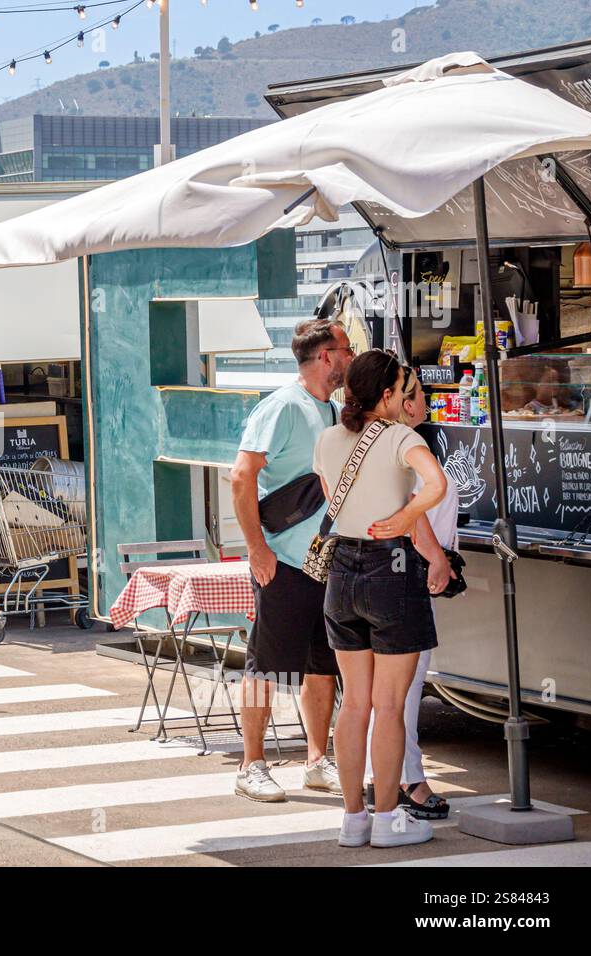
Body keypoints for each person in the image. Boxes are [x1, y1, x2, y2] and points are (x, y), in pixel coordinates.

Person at [313, 350, 448, 848]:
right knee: (390, 706)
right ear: (387, 394)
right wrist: (404, 518)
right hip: (390, 568)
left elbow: (333, 497)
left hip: (341, 573)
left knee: (355, 704)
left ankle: (353, 820)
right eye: (400, 387)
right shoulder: (399, 437)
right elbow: (436, 484)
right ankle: (390, 819)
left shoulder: (328, 438)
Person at [231, 318, 355, 802]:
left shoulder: (332, 410)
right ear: (326, 356)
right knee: (266, 666)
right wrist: (257, 548)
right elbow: (241, 477)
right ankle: (251, 765)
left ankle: (316, 761)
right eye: (346, 348)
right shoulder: (282, 407)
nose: (350, 356)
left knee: (322, 665)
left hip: (326, 561)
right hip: (282, 560)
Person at [362, 371, 456, 819]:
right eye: (413, 393)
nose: (419, 401)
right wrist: (437, 558)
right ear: (404, 402)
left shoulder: (358, 442)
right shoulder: (403, 448)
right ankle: (409, 780)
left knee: (372, 694)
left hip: (361, 577)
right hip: (403, 579)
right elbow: (411, 513)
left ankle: (372, 783)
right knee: (404, 694)